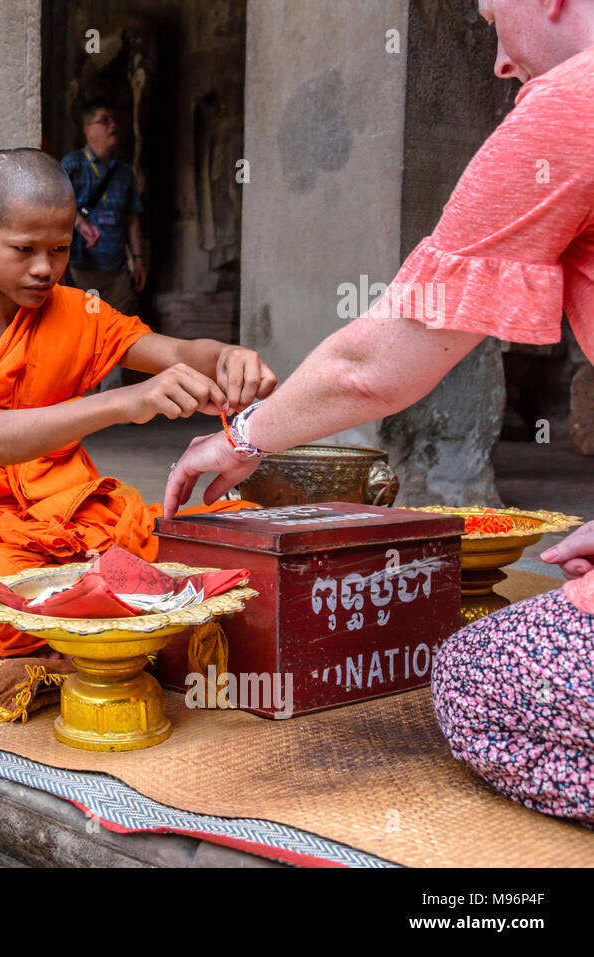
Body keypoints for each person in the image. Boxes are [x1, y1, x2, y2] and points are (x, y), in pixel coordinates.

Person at [163, 0, 594, 824]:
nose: (498, 60)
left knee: (473, 678)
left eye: (491, 15)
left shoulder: (572, 102)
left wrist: (240, 437)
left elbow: (373, 369)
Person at [0, 148, 275, 657]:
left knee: (234, 544)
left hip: (73, 513)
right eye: (24, 249)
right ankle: (105, 598)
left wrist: (226, 358)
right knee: (1, 585)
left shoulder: (77, 310)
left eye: (59, 250)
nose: (44, 269)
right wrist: (122, 403)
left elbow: (175, 352)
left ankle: (100, 592)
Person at [61, 98, 147, 321]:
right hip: (82, 271)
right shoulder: (73, 164)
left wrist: (137, 259)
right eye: (104, 121)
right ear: (88, 130)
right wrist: (80, 223)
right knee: (88, 331)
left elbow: (132, 219)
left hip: (117, 272)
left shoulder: (125, 172)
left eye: (114, 120)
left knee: (122, 330)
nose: (113, 125)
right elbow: (54, 205)